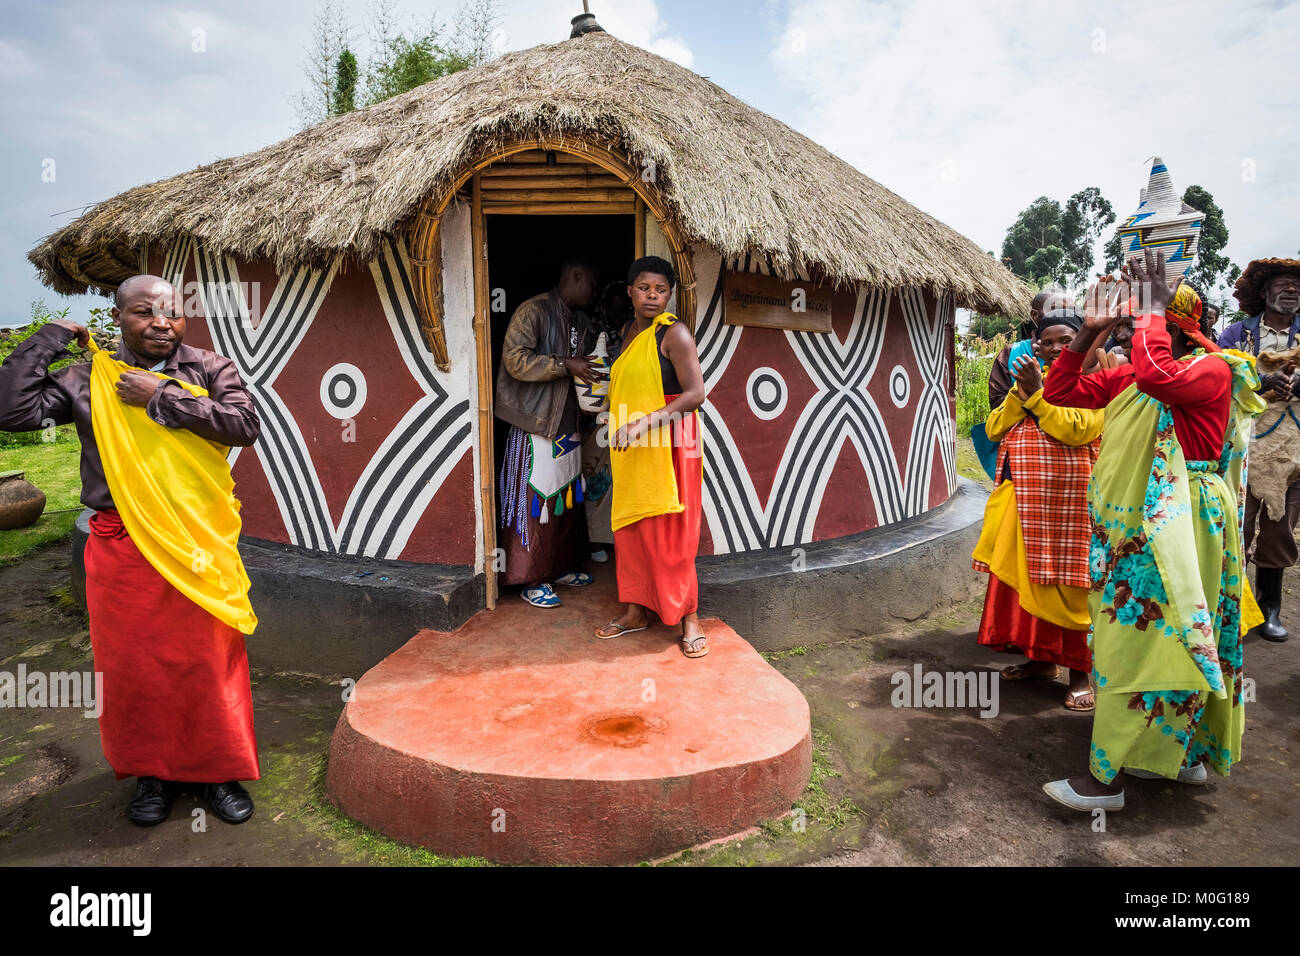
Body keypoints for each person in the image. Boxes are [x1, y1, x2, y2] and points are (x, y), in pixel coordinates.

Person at [0, 275, 262, 826]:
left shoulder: (210, 369)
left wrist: (162, 398)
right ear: (116, 317)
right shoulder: (84, 378)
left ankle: (218, 771)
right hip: (121, 544)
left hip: (197, 540)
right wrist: (48, 337)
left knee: (208, 661)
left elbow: (244, 426)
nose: (162, 322)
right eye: (145, 311)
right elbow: (10, 414)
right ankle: (153, 774)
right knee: (134, 667)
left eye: (171, 312)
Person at [1039, 250, 1264, 811]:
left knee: (1141, 643)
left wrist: (1150, 312)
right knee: (1160, 639)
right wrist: (1088, 333)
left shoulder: (1209, 372)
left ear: (1174, 326)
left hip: (1181, 527)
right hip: (1144, 528)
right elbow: (1062, 393)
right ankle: (1177, 757)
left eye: (1143, 318)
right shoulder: (1136, 379)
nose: (1135, 328)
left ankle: (1105, 782)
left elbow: (1158, 373)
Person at [973, 309, 1103, 711]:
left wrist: (1035, 398)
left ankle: (1082, 676)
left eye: (1065, 341)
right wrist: (1022, 392)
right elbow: (995, 428)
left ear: (1083, 344)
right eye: (1046, 342)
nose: (1054, 349)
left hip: (1069, 505)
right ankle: (1041, 660)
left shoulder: (1096, 384)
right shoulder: (1027, 381)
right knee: (1032, 578)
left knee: (1071, 583)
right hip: (1025, 498)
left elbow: (1077, 429)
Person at [593, 256, 708, 657]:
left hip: (672, 440)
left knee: (673, 526)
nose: (652, 296)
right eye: (644, 288)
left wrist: (646, 423)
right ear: (630, 291)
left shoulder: (674, 334)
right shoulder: (627, 332)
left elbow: (696, 394)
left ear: (670, 294)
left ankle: (689, 617)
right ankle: (635, 611)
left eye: (661, 290)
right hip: (631, 445)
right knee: (632, 526)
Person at [495, 256, 601, 608]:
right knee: (534, 501)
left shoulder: (583, 321)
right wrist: (563, 364)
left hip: (568, 425)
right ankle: (530, 577)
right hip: (535, 424)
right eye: (592, 284)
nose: (594, 292)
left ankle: (558, 567)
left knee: (565, 501)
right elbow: (515, 360)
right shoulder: (533, 311)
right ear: (576, 275)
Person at [1217, 260, 1300, 642]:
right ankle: (1235, 607)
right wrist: (1260, 380)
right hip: (1242, 446)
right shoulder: (1236, 333)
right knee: (1235, 526)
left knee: (1279, 531)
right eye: (1283, 285)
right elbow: (1216, 373)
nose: (1291, 291)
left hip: (1292, 455)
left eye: (1296, 287)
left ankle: (1270, 610)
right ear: (1264, 293)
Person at [581, 281, 633, 564]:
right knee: (594, 479)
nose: (617, 315)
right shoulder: (592, 335)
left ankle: (613, 537)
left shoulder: (633, 336)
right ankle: (593, 540)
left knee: (619, 480)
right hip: (594, 421)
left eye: (622, 309)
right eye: (611, 309)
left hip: (626, 418)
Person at [987, 288, 1074, 410]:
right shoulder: (1010, 354)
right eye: (1055, 309)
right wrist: (1029, 392)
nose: (1064, 316)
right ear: (1035, 315)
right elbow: (997, 405)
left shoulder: (1081, 354)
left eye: (1069, 311)